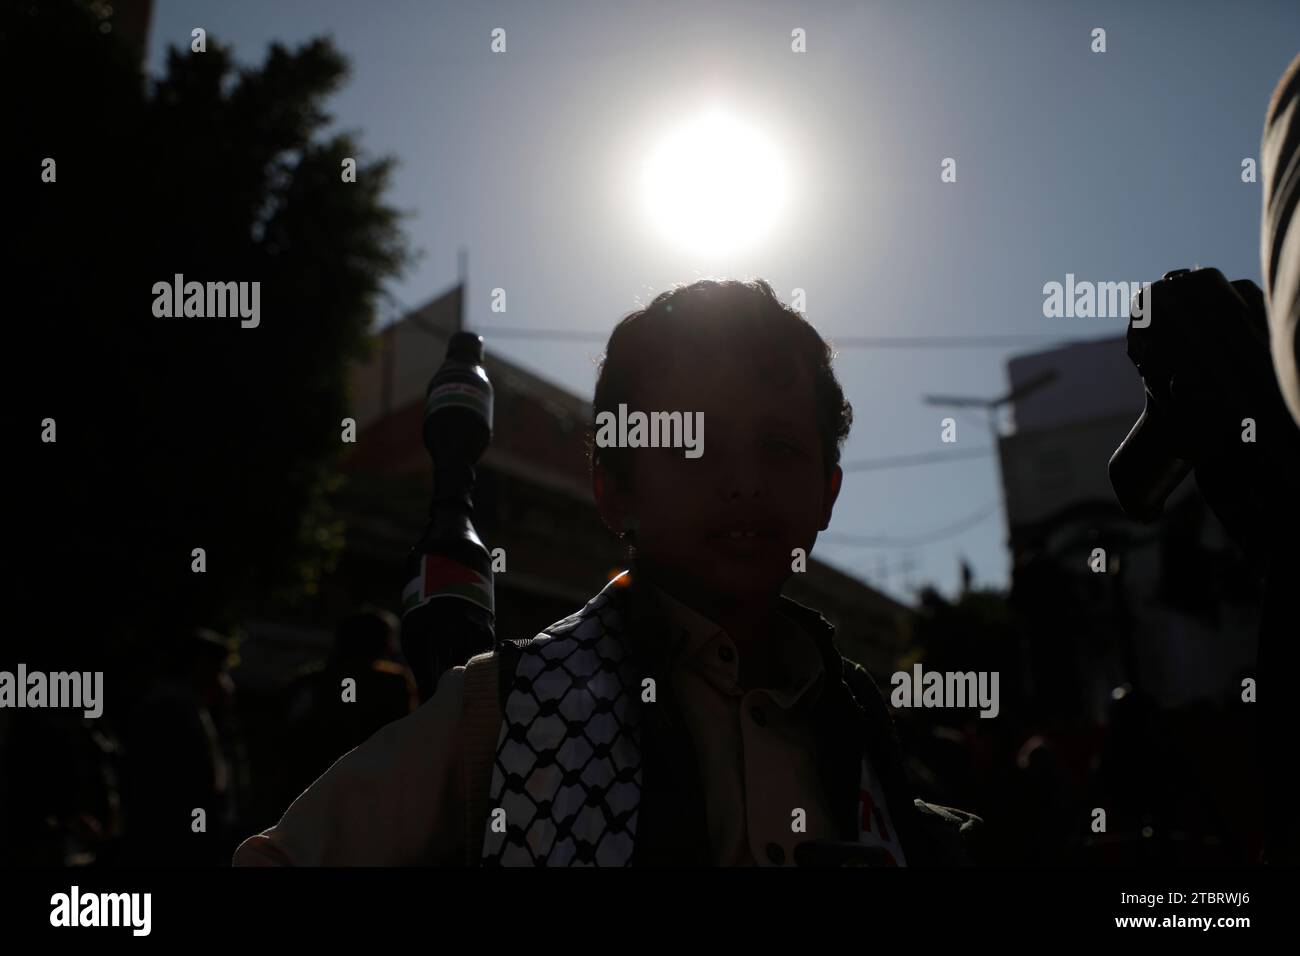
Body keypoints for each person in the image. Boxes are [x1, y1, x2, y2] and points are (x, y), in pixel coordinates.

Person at [234, 278, 981, 866]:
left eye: (781, 448)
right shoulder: (500, 707)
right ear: (613, 490)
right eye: (693, 445)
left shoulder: (855, 716)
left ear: (827, 494)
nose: (743, 481)